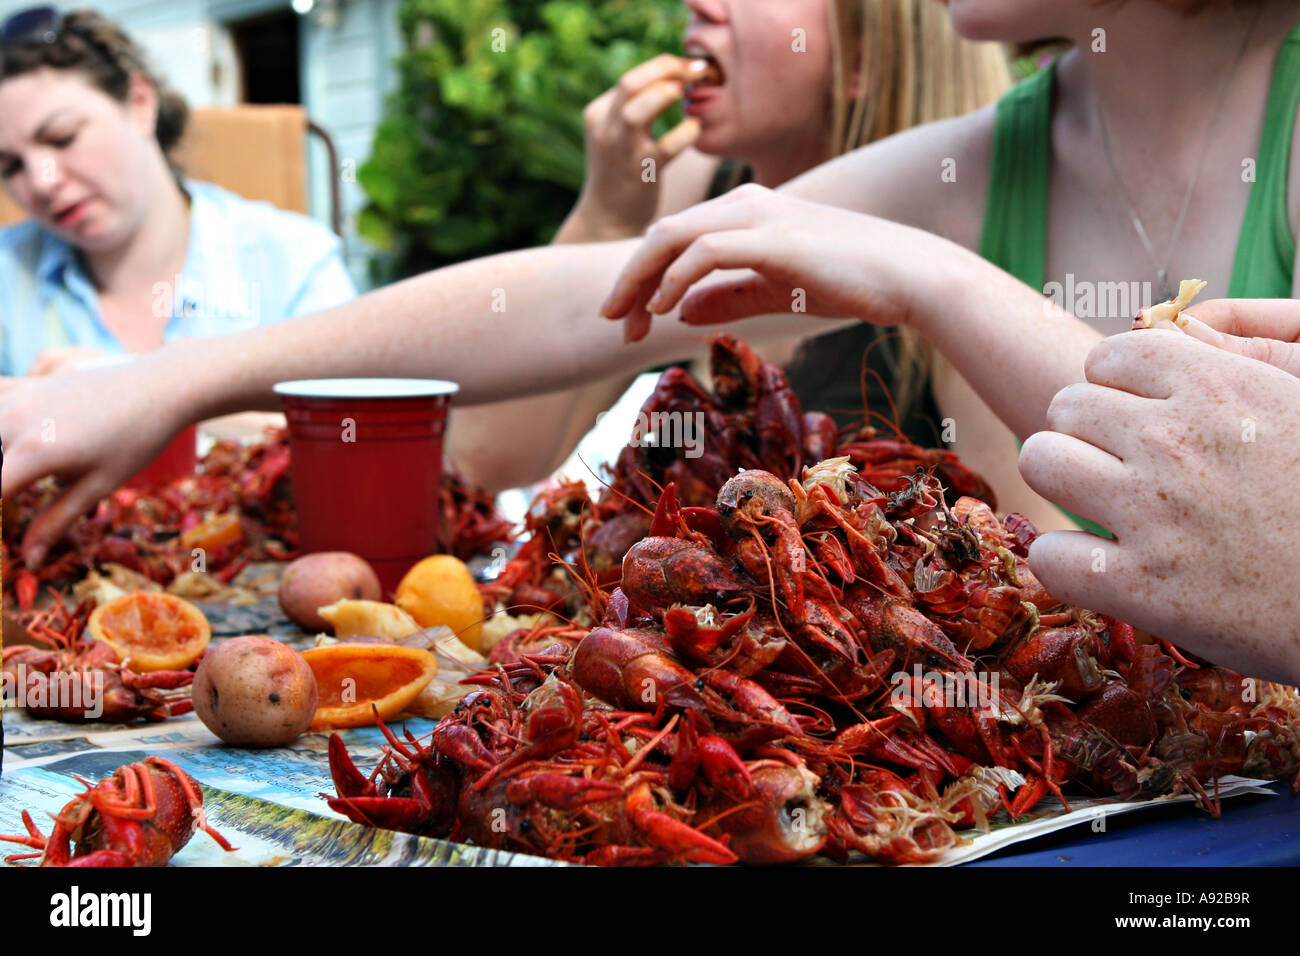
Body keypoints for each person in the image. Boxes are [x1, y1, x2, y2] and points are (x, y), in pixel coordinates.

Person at [1, 0, 1297, 675]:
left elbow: (1213, 480)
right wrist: (161, 384)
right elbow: (580, 303)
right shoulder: (990, 155)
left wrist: (939, 281)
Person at [447, 0, 1016, 499]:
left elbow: (1027, 555)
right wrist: (605, 216)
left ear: (863, 58)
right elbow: (483, 462)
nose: (699, 5)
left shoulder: (965, 227)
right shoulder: (694, 187)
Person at [0, 6, 355, 379]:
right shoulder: (10, 274)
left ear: (139, 103)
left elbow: (349, 422)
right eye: (10, 167)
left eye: (62, 138)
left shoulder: (289, 262)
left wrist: (130, 386)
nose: (42, 181)